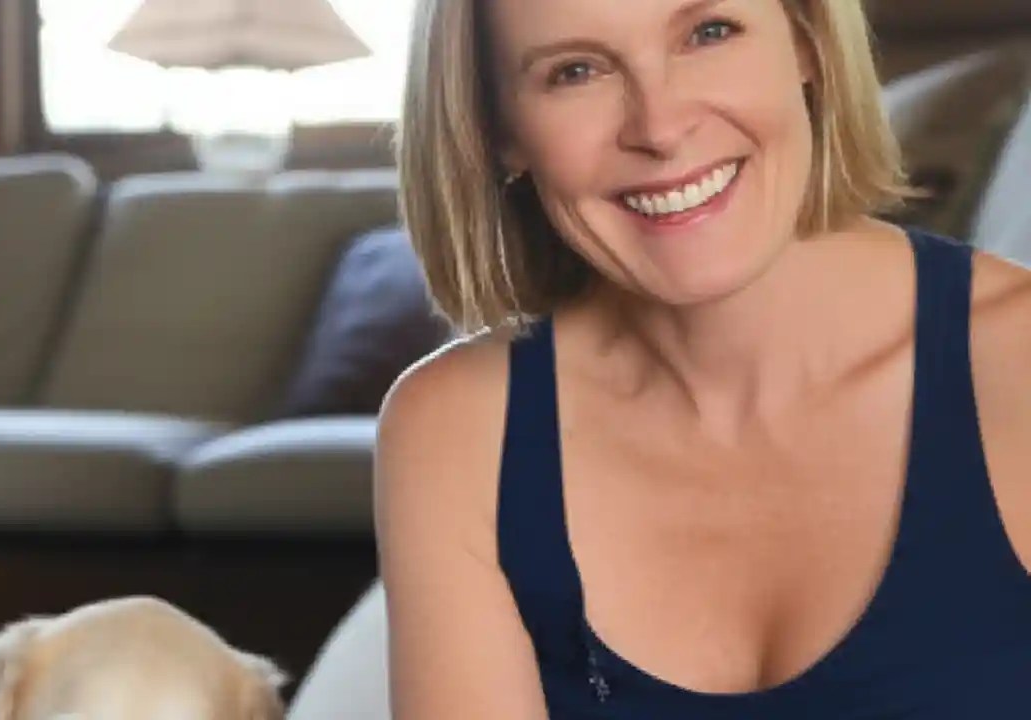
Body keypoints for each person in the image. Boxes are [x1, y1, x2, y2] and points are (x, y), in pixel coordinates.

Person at [374, 0, 1031, 717]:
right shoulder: (457, 429)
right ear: (498, 131)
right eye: (576, 71)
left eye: (709, 33)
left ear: (807, 43)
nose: (659, 127)